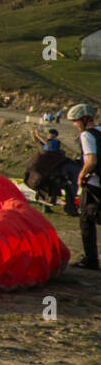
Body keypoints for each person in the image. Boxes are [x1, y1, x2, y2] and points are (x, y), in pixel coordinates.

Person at [66, 104, 100, 270]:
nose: (74, 124)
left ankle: (91, 259)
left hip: (93, 183)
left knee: (86, 219)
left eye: (76, 121)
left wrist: (81, 176)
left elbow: (91, 161)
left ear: (84, 120)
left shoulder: (86, 135)